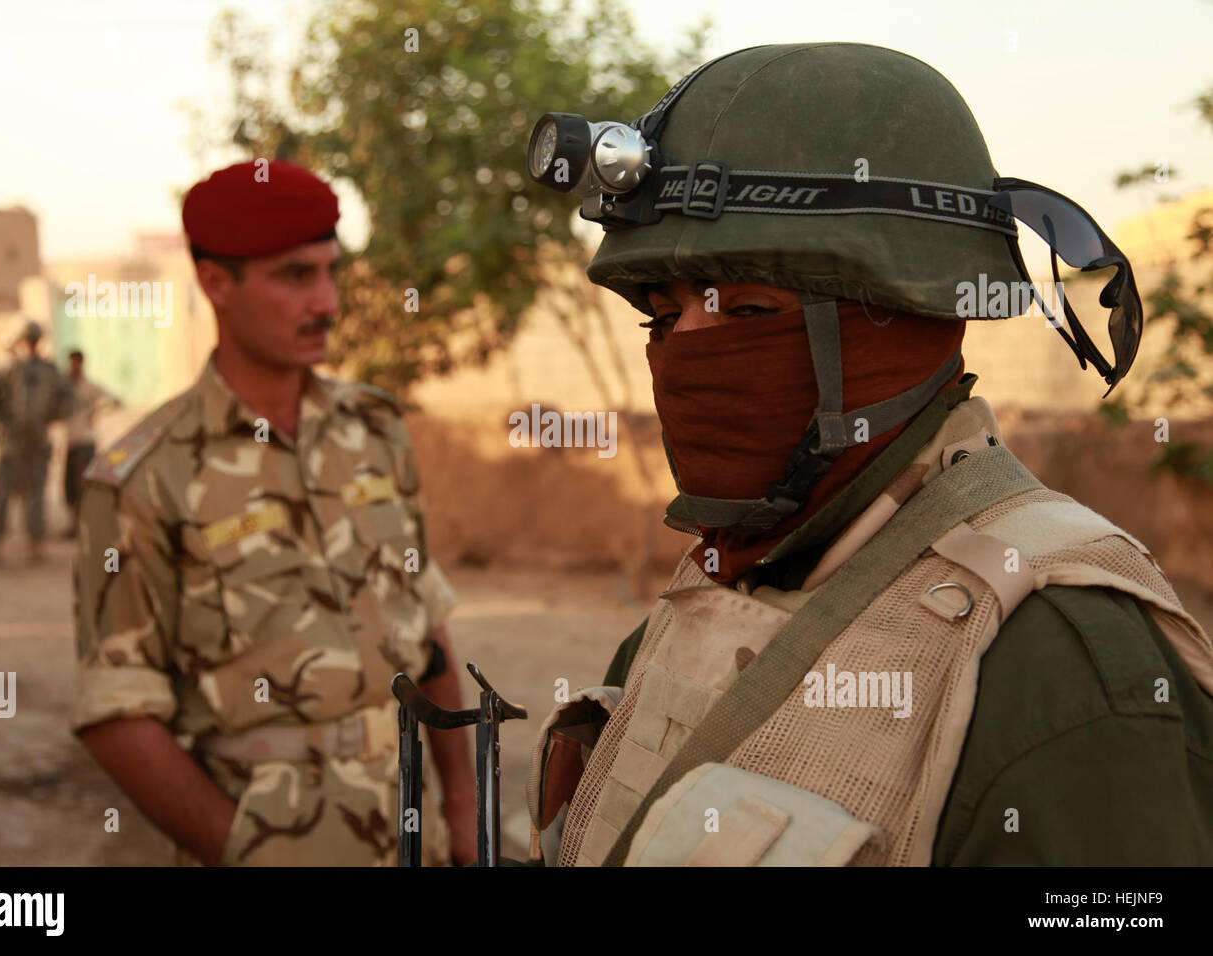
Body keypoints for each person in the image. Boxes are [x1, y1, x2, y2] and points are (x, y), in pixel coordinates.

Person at [524, 43, 1213, 866]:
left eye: (747, 311)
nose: (686, 356)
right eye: (663, 318)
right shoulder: (694, 610)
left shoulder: (1059, 668)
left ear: (906, 318)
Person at [71, 159, 476, 866]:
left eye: (330, 271)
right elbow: (117, 714)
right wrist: (249, 851)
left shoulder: (374, 430)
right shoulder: (142, 478)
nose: (327, 302)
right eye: (295, 276)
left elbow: (429, 636)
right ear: (215, 284)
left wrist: (466, 818)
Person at [0, 320, 72, 564]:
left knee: (34, 493)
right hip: (12, 441)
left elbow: (66, 399)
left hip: (35, 441)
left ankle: (34, 544)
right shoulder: (7, 371)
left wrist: (52, 416)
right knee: (5, 493)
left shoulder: (48, 371)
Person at [61, 349, 121, 536]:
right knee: (70, 486)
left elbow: (115, 401)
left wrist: (96, 412)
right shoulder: (65, 387)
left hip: (85, 442)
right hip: (71, 441)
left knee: (82, 485)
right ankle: (74, 523)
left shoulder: (89, 387)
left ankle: (83, 524)